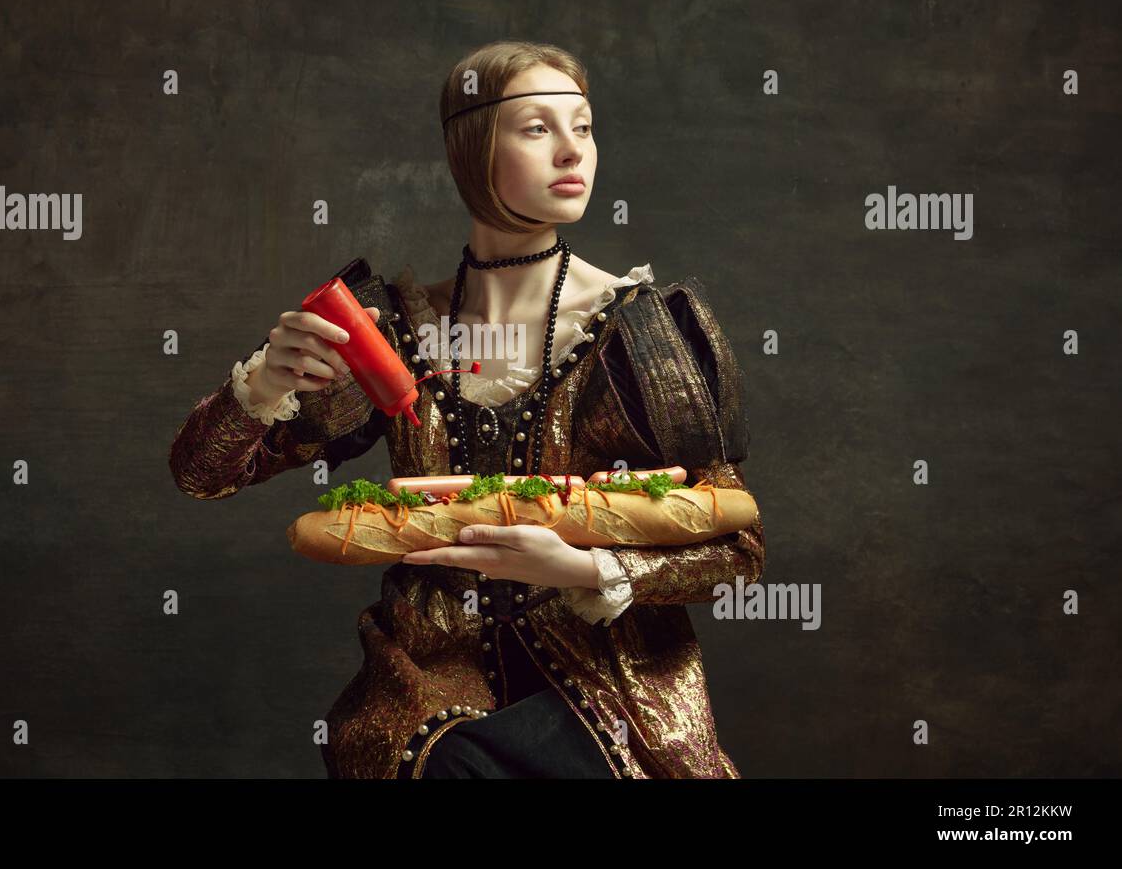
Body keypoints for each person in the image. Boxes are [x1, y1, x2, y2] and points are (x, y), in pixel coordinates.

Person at [169, 40, 766, 778]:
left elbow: (739, 546)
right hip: (429, 697)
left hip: (615, 699)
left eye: (582, 126)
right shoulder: (388, 332)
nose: (571, 150)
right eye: (537, 128)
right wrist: (263, 386)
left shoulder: (638, 329)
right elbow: (201, 474)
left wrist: (591, 567)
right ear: (473, 146)